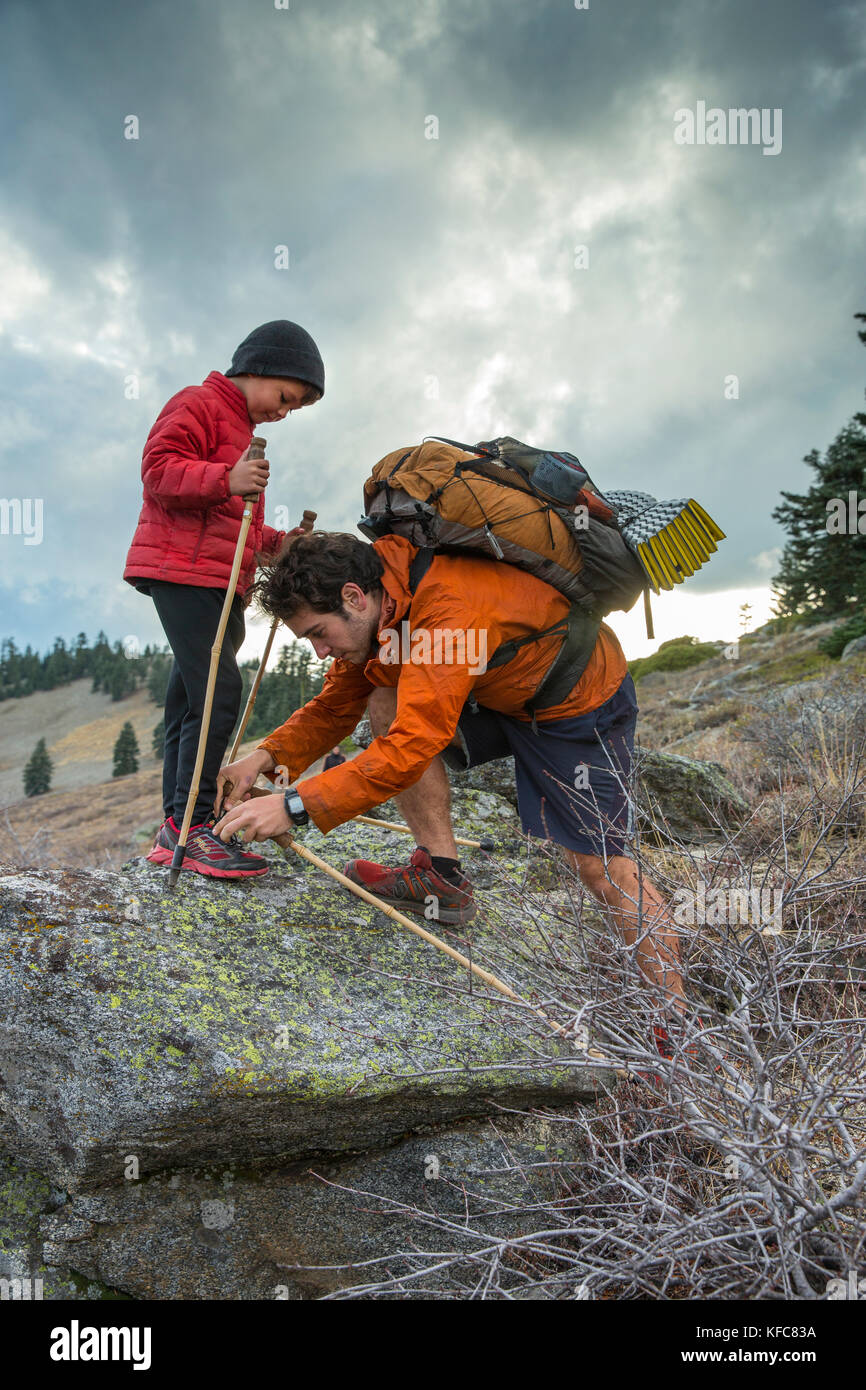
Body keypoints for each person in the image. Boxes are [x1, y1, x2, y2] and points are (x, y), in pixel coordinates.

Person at [214, 530, 688, 1026]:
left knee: (602, 870)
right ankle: (440, 875)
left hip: (575, 702)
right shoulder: (388, 602)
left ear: (353, 597)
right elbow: (337, 703)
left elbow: (410, 748)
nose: (318, 651)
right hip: (498, 689)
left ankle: (677, 1032)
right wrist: (265, 759)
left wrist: (293, 805)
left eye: (317, 632)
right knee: (383, 695)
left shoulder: (445, 610)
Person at [123, 319, 325, 878]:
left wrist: (282, 545)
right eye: (286, 397)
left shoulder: (241, 434)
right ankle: (190, 827)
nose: (285, 413)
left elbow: (235, 530)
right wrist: (225, 479)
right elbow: (158, 472)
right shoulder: (198, 403)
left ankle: (177, 827)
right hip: (182, 572)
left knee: (193, 699)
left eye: (296, 408)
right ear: (258, 368)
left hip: (218, 579)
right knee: (217, 691)